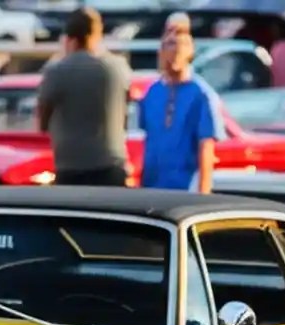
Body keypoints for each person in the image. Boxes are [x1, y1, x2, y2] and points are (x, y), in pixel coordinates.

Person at [36, 8, 131, 186]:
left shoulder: (57, 71)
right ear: (98, 35)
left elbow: (42, 123)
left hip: (71, 167)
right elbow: (125, 114)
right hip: (111, 165)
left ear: (69, 38)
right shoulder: (117, 68)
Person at [139, 27, 215, 192]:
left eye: (180, 46)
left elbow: (206, 144)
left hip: (185, 186)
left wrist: (204, 190)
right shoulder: (153, 92)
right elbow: (146, 136)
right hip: (152, 185)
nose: (174, 51)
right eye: (169, 45)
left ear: (189, 52)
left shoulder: (199, 94)